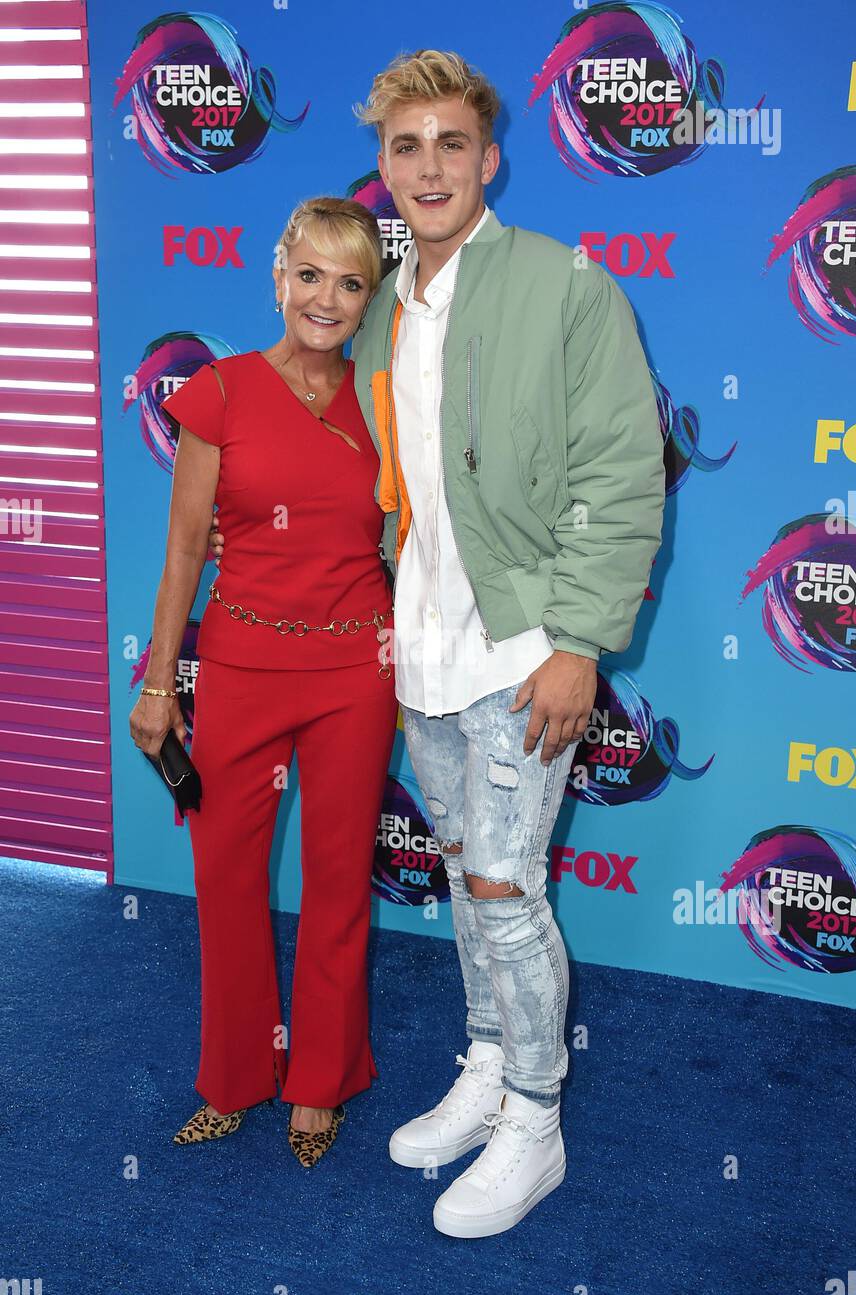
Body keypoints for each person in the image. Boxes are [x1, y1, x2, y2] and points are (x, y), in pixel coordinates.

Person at [213, 48, 665, 1233]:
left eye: (450, 144)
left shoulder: (568, 289)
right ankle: (482, 1062)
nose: (428, 166)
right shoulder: (385, 299)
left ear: (489, 157)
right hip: (418, 652)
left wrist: (580, 641)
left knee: (509, 888)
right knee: (472, 880)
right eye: (405, 147)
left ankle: (535, 1115)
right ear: (382, 164)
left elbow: (622, 477)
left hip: (526, 652)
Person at [129, 196, 398, 1167]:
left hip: (353, 673)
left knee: (336, 882)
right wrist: (160, 684)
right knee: (225, 880)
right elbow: (182, 553)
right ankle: (236, 1074)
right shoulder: (222, 391)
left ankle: (321, 1080)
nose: (326, 298)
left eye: (350, 281)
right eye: (310, 275)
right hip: (239, 664)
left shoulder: (385, 400)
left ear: (371, 296)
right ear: (278, 276)